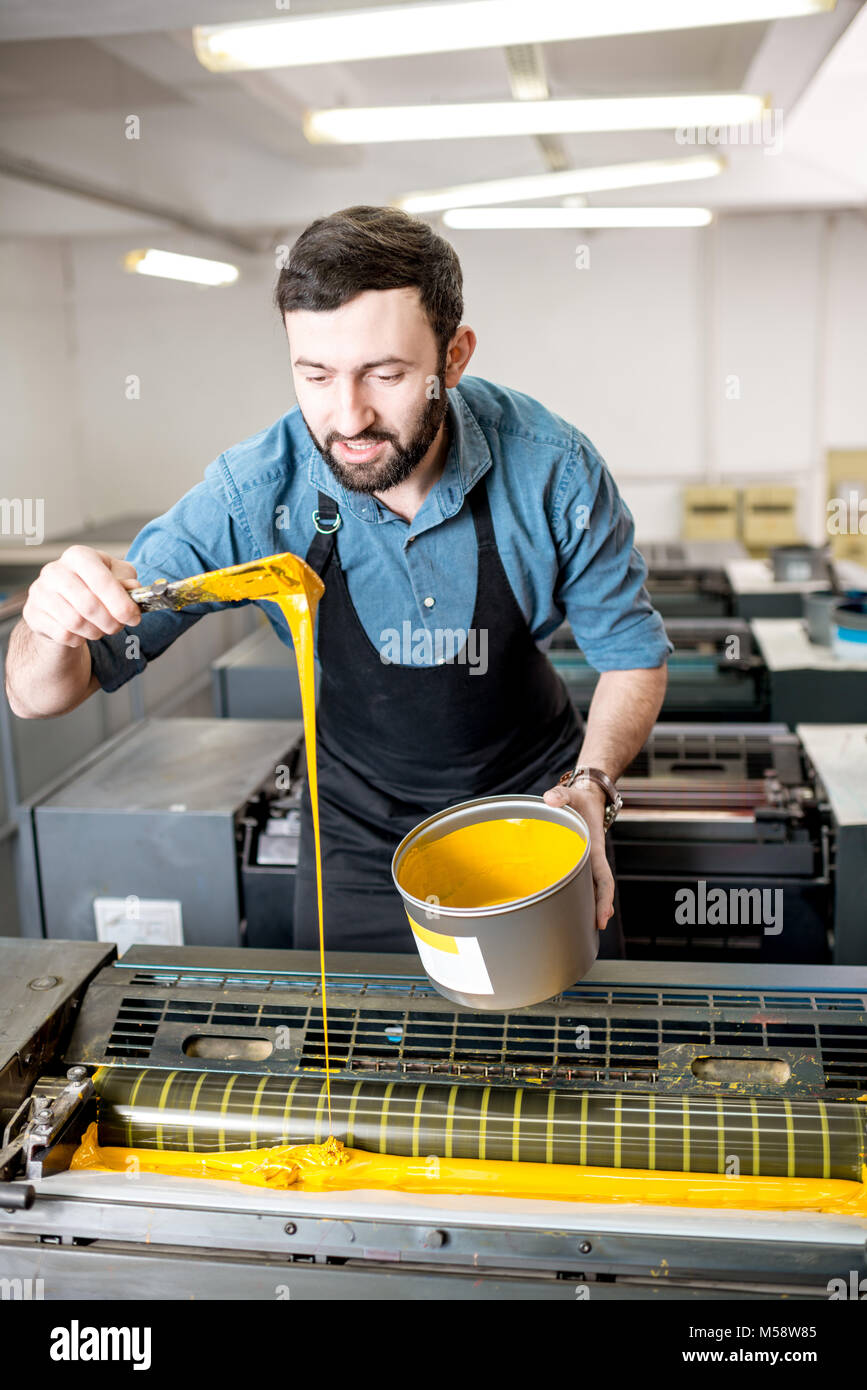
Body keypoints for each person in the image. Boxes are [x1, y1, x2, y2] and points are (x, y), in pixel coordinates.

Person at [5, 206, 670, 955]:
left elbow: (630, 656)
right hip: (356, 836)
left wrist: (592, 784)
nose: (346, 416)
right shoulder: (253, 493)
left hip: (534, 805)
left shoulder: (551, 469)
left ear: (453, 357)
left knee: (559, 1043)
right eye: (315, 376)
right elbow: (36, 697)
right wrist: (48, 620)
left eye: (384, 375)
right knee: (358, 1052)